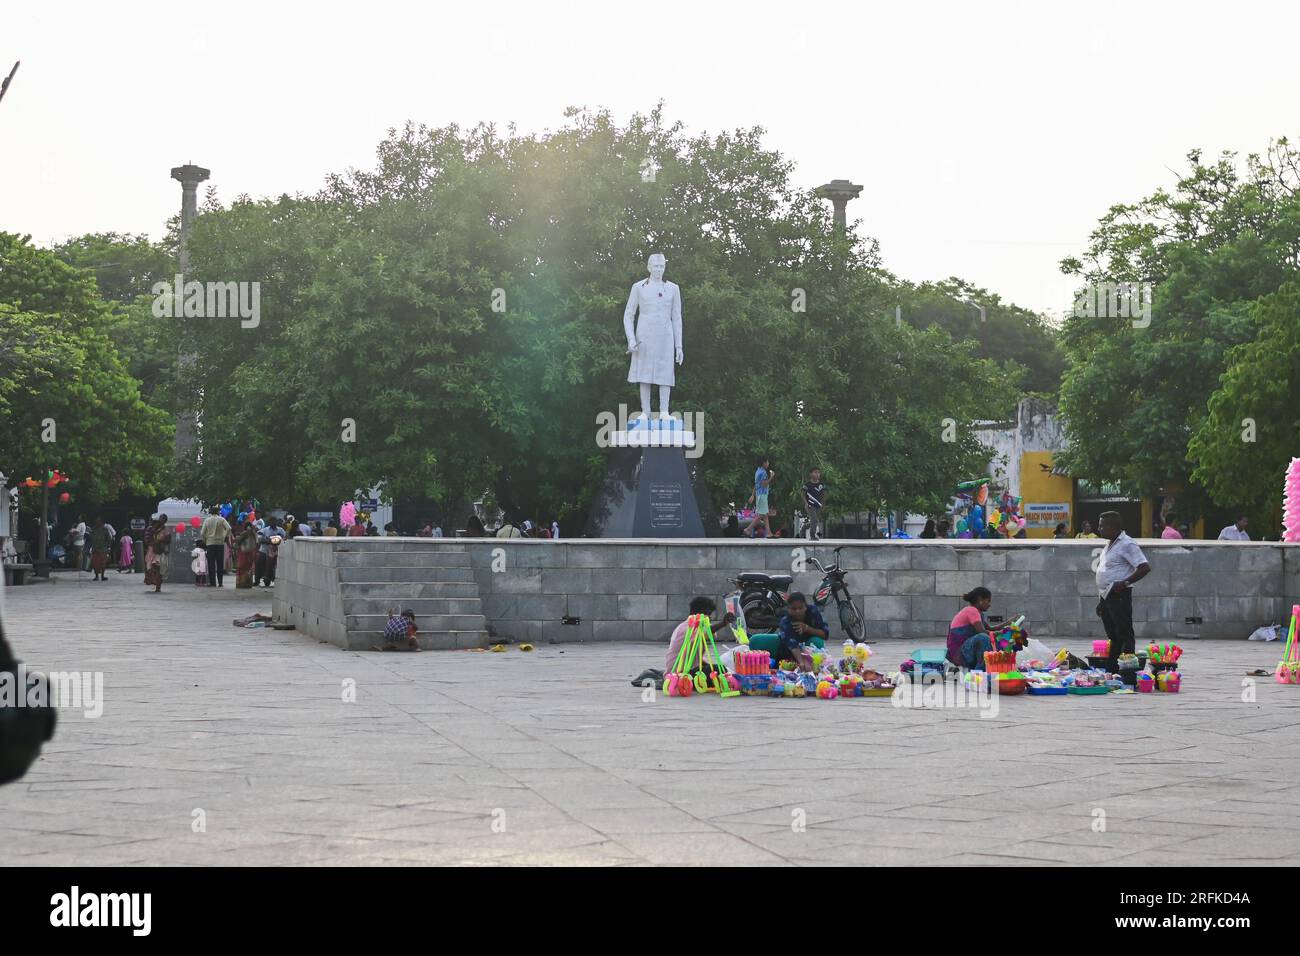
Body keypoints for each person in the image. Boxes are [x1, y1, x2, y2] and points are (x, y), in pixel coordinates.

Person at [1096, 511, 1151, 666]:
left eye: (1102, 525)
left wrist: (1125, 583)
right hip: (1107, 595)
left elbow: (1144, 567)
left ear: (1113, 527)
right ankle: (1113, 668)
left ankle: (1128, 669)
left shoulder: (1127, 544)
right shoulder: (1110, 544)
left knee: (1124, 632)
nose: (1099, 528)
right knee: (1113, 635)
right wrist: (1102, 601)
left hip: (1119, 594)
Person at [947, 587, 997, 669]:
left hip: (965, 651)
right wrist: (999, 633)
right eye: (988, 601)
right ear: (980, 600)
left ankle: (992, 667)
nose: (989, 604)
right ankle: (980, 671)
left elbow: (990, 629)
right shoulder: (972, 611)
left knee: (995, 639)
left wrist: (1008, 624)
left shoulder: (977, 613)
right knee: (983, 638)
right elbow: (982, 631)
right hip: (959, 653)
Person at [771, 593, 822, 671]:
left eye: (801, 608)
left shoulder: (813, 611)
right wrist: (802, 662)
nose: (798, 611)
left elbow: (822, 631)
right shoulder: (785, 622)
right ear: (788, 609)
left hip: (809, 651)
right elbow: (793, 646)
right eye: (794, 609)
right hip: (787, 657)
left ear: (806, 606)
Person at [200, 506, 232, 588]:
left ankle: (213, 582)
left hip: (210, 543)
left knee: (211, 564)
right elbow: (229, 528)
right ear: (218, 512)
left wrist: (205, 540)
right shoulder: (222, 519)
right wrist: (224, 536)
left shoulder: (207, 520)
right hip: (220, 543)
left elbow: (202, 533)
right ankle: (220, 583)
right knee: (220, 563)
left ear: (210, 512)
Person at [745, 455, 773, 539]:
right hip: (763, 495)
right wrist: (771, 477)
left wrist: (753, 495)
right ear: (764, 463)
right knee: (761, 514)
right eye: (767, 462)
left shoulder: (757, 471)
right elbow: (764, 484)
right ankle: (748, 529)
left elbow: (756, 485)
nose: (768, 463)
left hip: (759, 495)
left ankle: (769, 532)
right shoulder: (763, 472)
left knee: (765, 514)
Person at [144, 515, 171, 593]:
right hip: (153, 550)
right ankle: (155, 583)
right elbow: (147, 539)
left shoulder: (165, 529)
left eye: (164, 520)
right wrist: (155, 542)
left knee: (158, 568)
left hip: (159, 550)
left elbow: (168, 540)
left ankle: (158, 585)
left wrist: (161, 540)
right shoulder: (151, 528)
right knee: (154, 567)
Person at [257, 516, 284, 588]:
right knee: (259, 562)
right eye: (271, 521)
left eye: (274, 521)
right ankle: (258, 579)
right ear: (269, 522)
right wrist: (266, 540)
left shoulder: (280, 530)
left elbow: (284, 537)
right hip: (265, 550)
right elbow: (259, 537)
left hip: (276, 551)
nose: (273, 523)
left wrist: (280, 539)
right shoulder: (265, 530)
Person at [802, 467, 826, 540]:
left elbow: (824, 494)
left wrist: (823, 504)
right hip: (810, 505)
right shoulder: (807, 484)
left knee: (815, 520)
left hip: (818, 505)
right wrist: (806, 503)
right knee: (814, 520)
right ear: (811, 474)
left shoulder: (821, 485)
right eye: (815, 472)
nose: (817, 474)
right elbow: (802, 494)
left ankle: (805, 526)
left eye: (818, 472)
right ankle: (812, 535)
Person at [235, 521, 258, 589]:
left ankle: (242, 583)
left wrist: (236, 538)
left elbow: (238, 541)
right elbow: (257, 542)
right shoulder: (254, 534)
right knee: (248, 568)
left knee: (241, 567)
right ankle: (248, 583)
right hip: (251, 552)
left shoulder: (245, 533)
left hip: (244, 552)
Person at [89, 517, 111, 581]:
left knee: (103, 563)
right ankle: (96, 576)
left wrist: (109, 547)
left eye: (98, 521)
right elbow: (91, 538)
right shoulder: (93, 529)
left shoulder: (105, 529)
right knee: (95, 563)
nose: (97, 522)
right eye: (96, 521)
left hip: (103, 548)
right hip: (95, 548)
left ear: (101, 522)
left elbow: (109, 538)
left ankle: (102, 576)